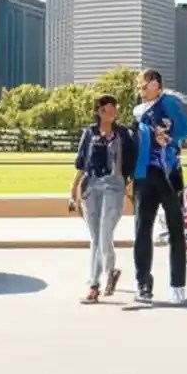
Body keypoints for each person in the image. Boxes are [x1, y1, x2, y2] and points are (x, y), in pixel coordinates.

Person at [130, 68, 187, 305]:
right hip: (144, 175)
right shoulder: (138, 112)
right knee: (142, 229)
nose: (141, 91)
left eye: (144, 87)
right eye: (139, 88)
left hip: (168, 174)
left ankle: (178, 284)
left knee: (176, 229)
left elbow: (184, 129)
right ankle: (143, 283)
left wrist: (169, 135)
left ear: (156, 84)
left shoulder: (169, 103)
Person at [69, 94, 137, 304]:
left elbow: (133, 160)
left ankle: (101, 278)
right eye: (108, 109)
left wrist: (130, 183)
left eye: (114, 108)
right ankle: (100, 280)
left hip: (114, 186)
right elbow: (81, 164)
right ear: (99, 111)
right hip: (91, 187)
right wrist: (73, 192)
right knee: (96, 238)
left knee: (104, 232)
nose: (112, 112)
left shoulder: (123, 134)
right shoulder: (89, 133)